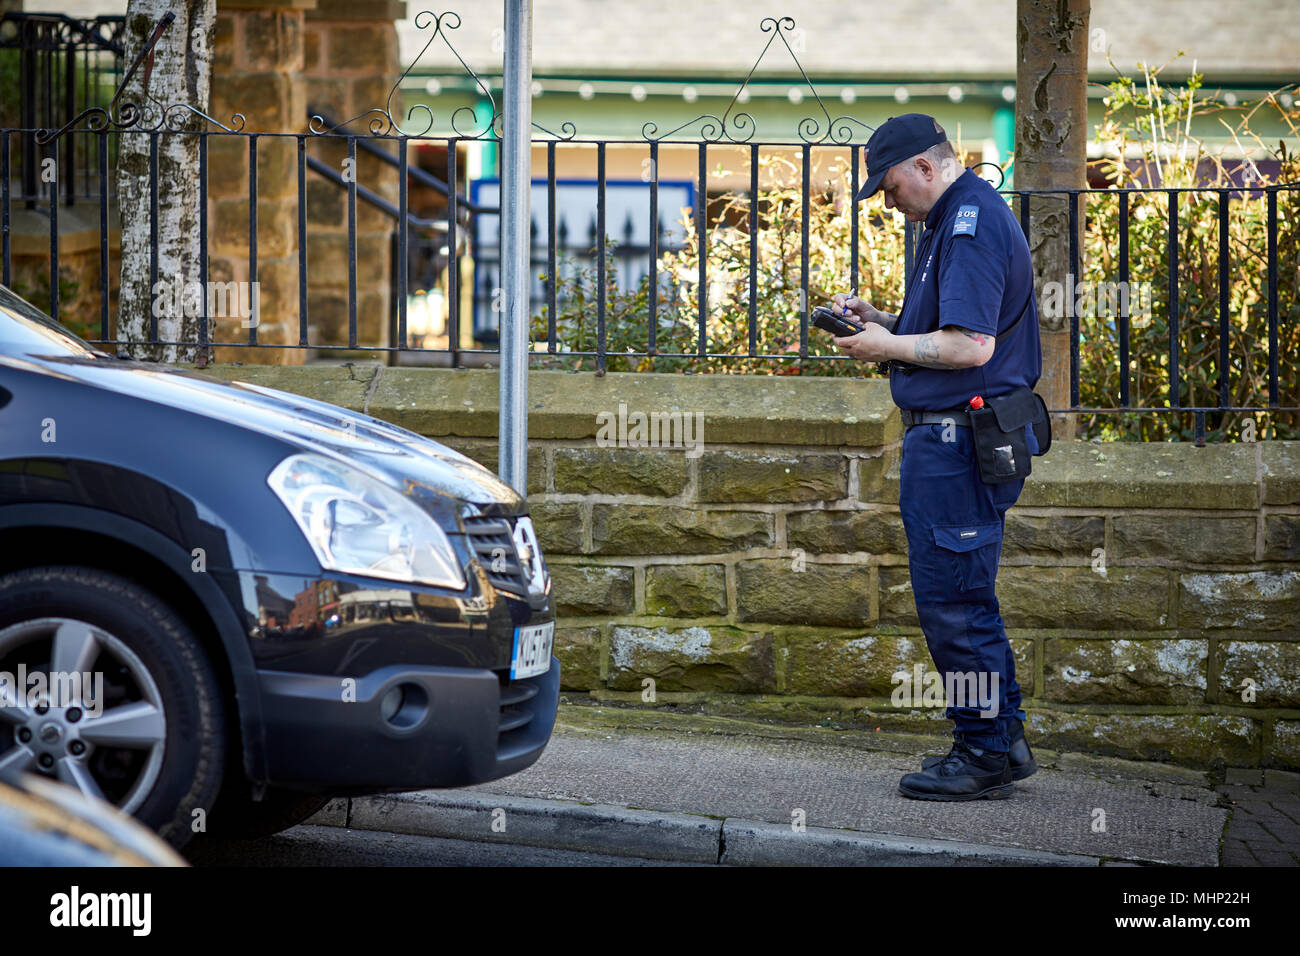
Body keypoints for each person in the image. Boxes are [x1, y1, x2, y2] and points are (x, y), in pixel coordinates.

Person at [830, 113, 1042, 801]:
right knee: (967, 596)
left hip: (957, 442)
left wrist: (881, 349)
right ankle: (1002, 738)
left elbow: (969, 348)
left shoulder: (968, 224)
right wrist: (884, 321)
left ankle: (980, 753)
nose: (888, 202)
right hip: (957, 437)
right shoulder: (952, 218)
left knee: (954, 601)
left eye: (890, 187)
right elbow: (947, 328)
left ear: (926, 166)